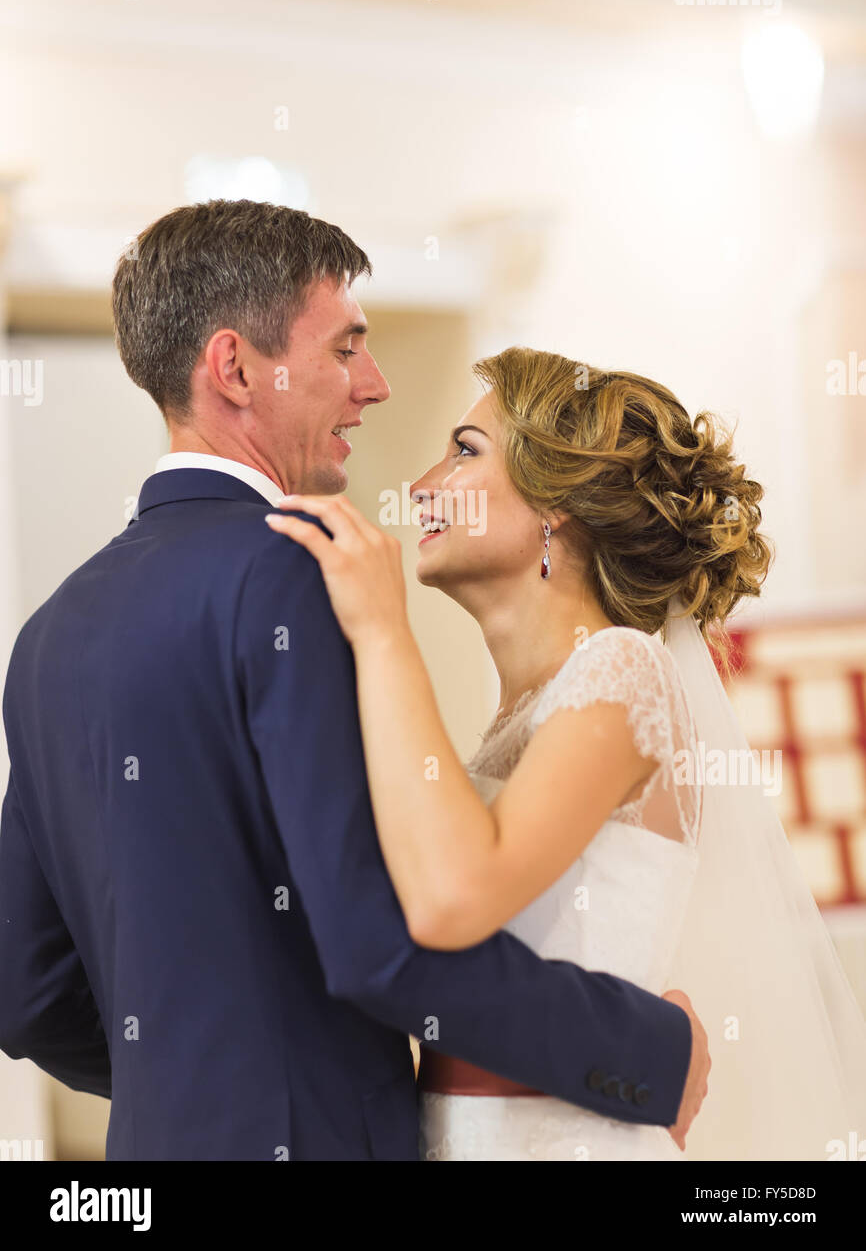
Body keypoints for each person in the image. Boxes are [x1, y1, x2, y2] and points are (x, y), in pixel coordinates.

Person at [0, 200, 708, 1161]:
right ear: (237, 370)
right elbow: (382, 944)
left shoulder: (48, 635)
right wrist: (655, 1051)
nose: (373, 386)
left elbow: (27, 995)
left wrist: (206, 1077)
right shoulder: (298, 573)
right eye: (346, 349)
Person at [265, 345, 866, 1160]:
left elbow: (457, 897)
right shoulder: (514, 718)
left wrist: (382, 630)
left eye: (465, 451)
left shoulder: (625, 671)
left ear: (559, 508)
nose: (422, 486)